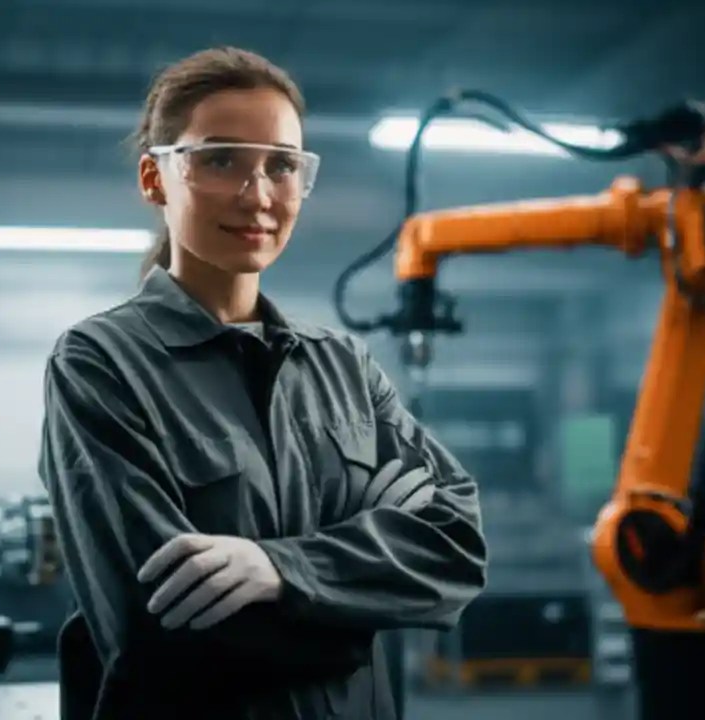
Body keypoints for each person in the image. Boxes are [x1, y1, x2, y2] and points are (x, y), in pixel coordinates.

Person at [38, 46, 488, 719]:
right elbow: (157, 630)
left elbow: (456, 551)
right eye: (220, 159)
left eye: (282, 165)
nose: (259, 195)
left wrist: (280, 571)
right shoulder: (101, 364)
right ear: (155, 178)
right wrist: (366, 604)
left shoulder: (343, 365)